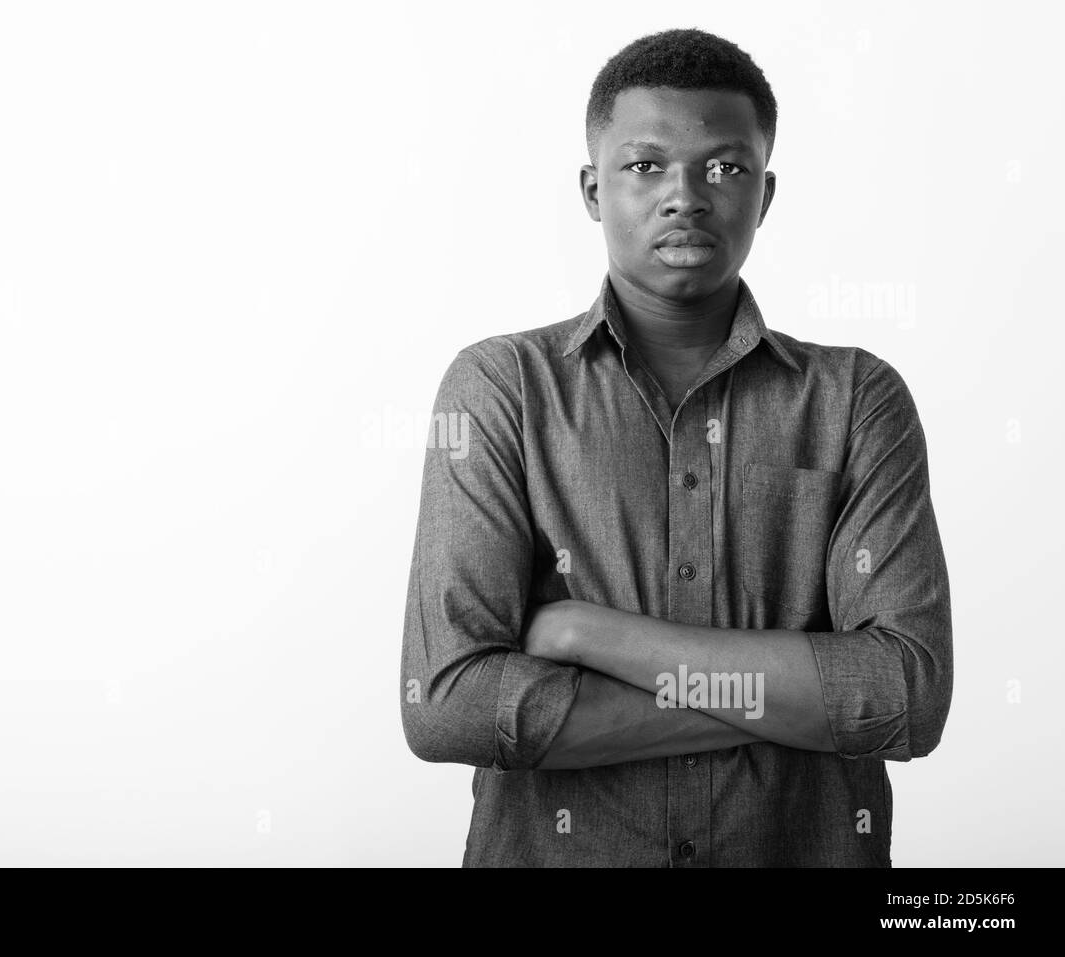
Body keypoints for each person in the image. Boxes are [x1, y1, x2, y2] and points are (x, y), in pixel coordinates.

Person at [399, 27, 952, 867]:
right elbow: (449, 706)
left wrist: (588, 634)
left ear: (764, 195)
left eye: (724, 168)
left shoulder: (856, 400)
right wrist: (785, 698)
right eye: (645, 165)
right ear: (593, 188)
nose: (685, 196)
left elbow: (906, 694)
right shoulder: (501, 389)